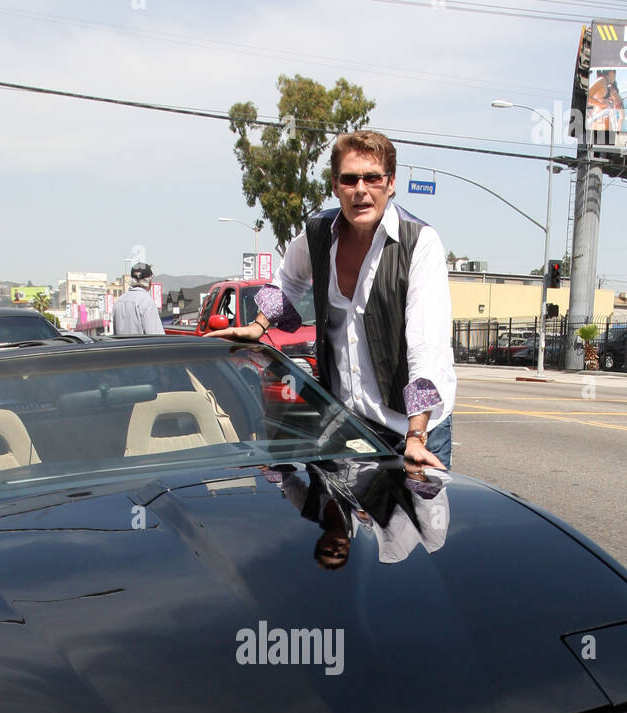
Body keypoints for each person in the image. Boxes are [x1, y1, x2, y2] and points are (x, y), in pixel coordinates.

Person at [208, 130, 456, 474]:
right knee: (346, 523)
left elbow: (426, 346)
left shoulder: (420, 243)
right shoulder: (318, 232)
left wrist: (416, 434)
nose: (361, 190)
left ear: (391, 183)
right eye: (350, 179)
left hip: (413, 428)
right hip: (353, 424)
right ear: (335, 184)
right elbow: (289, 279)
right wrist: (258, 326)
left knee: (416, 528)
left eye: (372, 178)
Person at [111, 262, 165, 336]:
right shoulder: (146, 301)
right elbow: (156, 337)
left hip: (122, 347)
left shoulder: (119, 301)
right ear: (149, 281)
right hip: (140, 347)